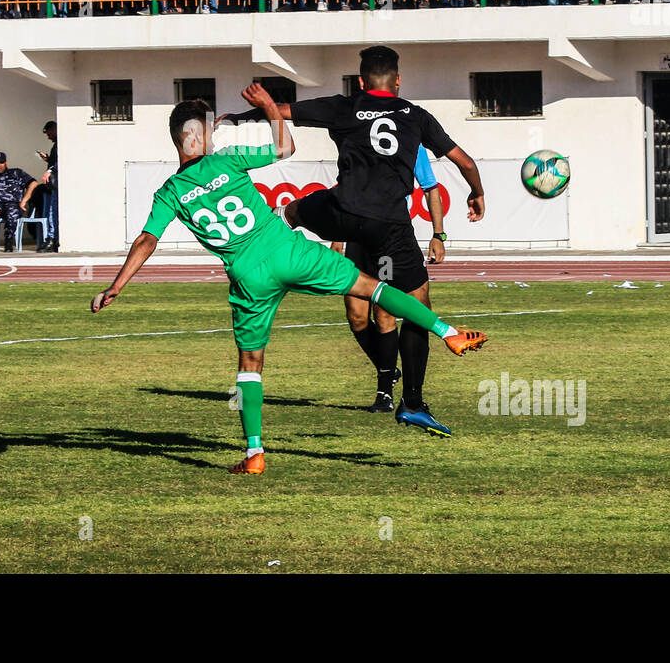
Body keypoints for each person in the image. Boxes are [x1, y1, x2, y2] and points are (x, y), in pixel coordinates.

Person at [91, 88, 484, 475]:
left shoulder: (170, 193)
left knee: (250, 364)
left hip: (248, 275)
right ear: (193, 135)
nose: (213, 137)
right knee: (373, 288)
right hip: (286, 250)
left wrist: (115, 287)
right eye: (208, 131)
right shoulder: (226, 161)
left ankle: (255, 453)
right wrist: (268, 108)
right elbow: (285, 149)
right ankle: (446, 331)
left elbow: (147, 239)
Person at [225, 45, 488, 437]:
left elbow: (281, 112)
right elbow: (465, 162)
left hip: (342, 213)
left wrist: (239, 116)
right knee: (417, 306)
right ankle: (413, 403)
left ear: (361, 82)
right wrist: (476, 193)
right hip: (390, 225)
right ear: (398, 81)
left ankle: (265, 247)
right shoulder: (416, 115)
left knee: (295, 211)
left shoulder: (344, 107)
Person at [333, 148, 448, 412]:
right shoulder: (356, 136)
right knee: (356, 316)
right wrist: (338, 237)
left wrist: (438, 234)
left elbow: (431, 188)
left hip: (389, 239)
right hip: (357, 236)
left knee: (384, 311)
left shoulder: (410, 142)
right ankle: (389, 371)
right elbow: (344, 188)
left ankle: (384, 392)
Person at [0, 151, 38, 253]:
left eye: (1, 162)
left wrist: (24, 201)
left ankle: (8, 241)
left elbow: (33, 183)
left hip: (12, 205)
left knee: (12, 211)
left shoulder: (16, 173)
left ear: (6, 163)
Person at [36, 120, 59, 252]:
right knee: (50, 211)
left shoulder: (61, 144)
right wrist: (48, 159)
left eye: (49, 133)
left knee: (53, 212)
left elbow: (60, 161)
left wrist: (49, 170)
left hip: (56, 184)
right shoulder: (56, 145)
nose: (48, 136)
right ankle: (51, 238)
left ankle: (52, 240)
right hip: (52, 185)